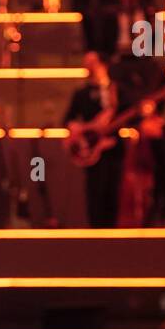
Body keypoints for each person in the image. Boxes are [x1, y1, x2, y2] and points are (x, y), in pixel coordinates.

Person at [64, 51, 125, 228]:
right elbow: (69, 119)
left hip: (114, 148)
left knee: (113, 192)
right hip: (92, 149)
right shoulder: (81, 93)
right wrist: (81, 129)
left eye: (92, 62)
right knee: (95, 192)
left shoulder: (116, 90)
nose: (88, 67)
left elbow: (129, 112)